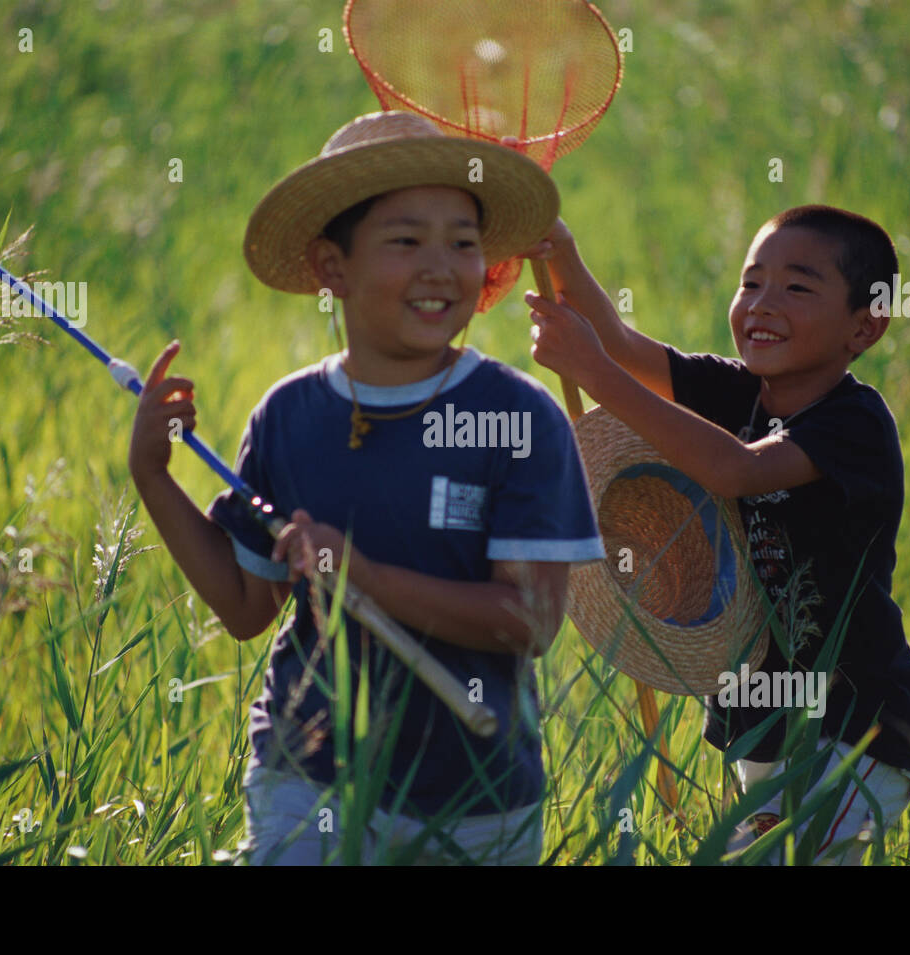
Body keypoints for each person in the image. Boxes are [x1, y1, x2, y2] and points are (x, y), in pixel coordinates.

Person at [127, 111, 604, 865]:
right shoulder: (290, 414)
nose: (440, 266)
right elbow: (248, 607)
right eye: (406, 240)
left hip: (474, 792)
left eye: (463, 241)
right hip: (307, 775)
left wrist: (361, 575)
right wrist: (152, 477)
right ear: (332, 268)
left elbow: (531, 620)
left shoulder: (518, 417)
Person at [523, 205, 910, 864]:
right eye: (751, 282)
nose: (763, 304)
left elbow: (736, 469)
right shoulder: (736, 391)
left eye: (797, 287)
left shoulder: (853, 423)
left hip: (857, 721)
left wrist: (592, 372)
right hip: (762, 718)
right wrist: (563, 249)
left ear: (866, 324)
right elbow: (622, 345)